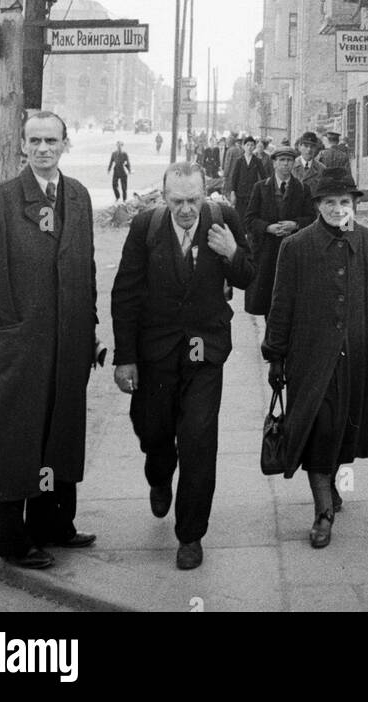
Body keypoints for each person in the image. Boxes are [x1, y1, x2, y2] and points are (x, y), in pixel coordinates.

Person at [111, 162, 254, 569]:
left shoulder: (223, 219)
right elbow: (125, 293)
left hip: (205, 353)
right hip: (156, 354)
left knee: (198, 440)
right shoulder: (146, 227)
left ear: (206, 194)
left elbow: (251, 276)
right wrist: (125, 359)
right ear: (163, 197)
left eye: (194, 200)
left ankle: (191, 534)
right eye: (177, 202)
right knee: (154, 432)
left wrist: (232, 253)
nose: (187, 210)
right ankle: (159, 476)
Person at [0, 111, 99, 569]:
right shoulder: (1, 201)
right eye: (35, 141)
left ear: (65, 144)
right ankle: (13, 539)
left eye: (52, 140)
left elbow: (85, 268)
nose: (44, 149)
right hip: (23, 343)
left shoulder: (79, 197)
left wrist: (87, 330)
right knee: (18, 435)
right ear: (23, 145)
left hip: (69, 341)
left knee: (60, 432)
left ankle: (53, 524)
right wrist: (12, 336)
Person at [262, 168, 368, 549]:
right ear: (317, 206)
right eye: (329, 202)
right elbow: (281, 306)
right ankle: (323, 511)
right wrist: (275, 356)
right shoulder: (296, 247)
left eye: (344, 202)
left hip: (356, 357)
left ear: (354, 205)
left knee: (345, 430)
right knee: (318, 430)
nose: (338, 209)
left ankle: (332, 487)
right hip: (311, 359)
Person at [244, 146, 314, 319]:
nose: (285, 164)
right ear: (274, 163)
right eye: (281, 160)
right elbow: (249, 220)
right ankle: (270, 338)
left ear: (293, 163)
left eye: (289, 160)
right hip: (266, 253)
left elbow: (312, 219)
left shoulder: (303, 189)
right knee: (268, 299)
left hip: (293, 252)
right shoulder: (260, 188)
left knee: (290, 300)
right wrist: (268, 227)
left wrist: (295, 224)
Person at [227, 136, 267, 229]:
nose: (249, 147)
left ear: (254, 147)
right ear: (243, 146)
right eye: (247, 145)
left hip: (252, 194)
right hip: (240, 194)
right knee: (240, 216)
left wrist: (262, 191)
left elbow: (264, 177)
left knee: (251, 215)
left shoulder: (257, 161)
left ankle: (249, 234)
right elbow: (234, 178)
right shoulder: (239, 161)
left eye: (252, 145)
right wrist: (233, 192)